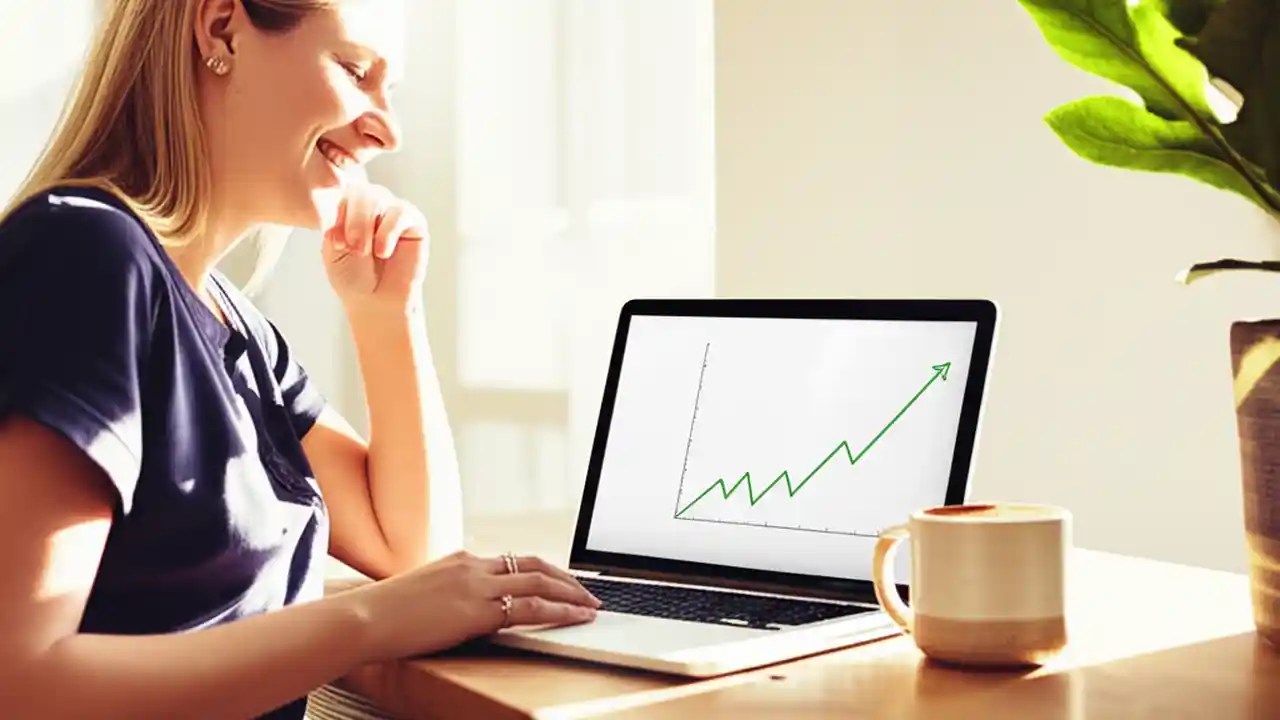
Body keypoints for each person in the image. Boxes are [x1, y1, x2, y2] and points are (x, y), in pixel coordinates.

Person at [0, 1, 601, 718]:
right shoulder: (87, 256)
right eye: (355, 70)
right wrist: (362, 622)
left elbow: (411, 551)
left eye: (392, 89)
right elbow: (21, 681)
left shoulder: (233, 322)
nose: (387, 127)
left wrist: (387, 316)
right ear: (221, 29)